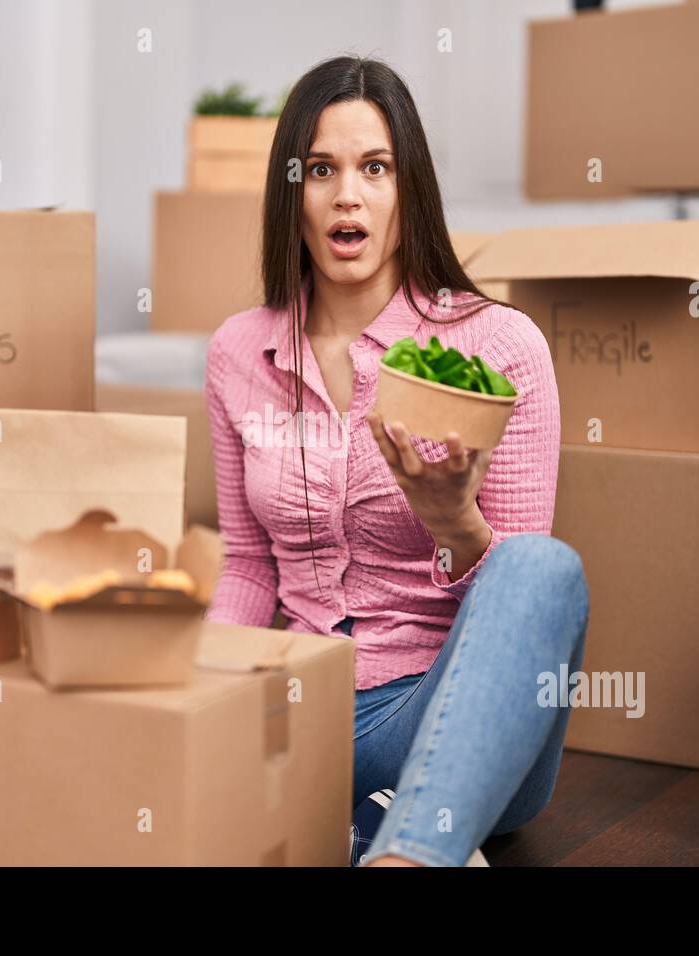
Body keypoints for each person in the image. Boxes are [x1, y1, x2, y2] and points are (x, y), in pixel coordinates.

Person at [203, 54, 590, 868]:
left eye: (375, 167)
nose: (348, 194)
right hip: (300, 711)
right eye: (321, 169)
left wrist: (453, 520)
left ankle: (404, 849)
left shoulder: (497, 345)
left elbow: (517, 608)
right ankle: (374, 827)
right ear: (292, 193)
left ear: (407, 188)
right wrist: (197, 700)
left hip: (448, 715)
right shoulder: (239, 350)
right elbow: (247, 566)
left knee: (543, 568)